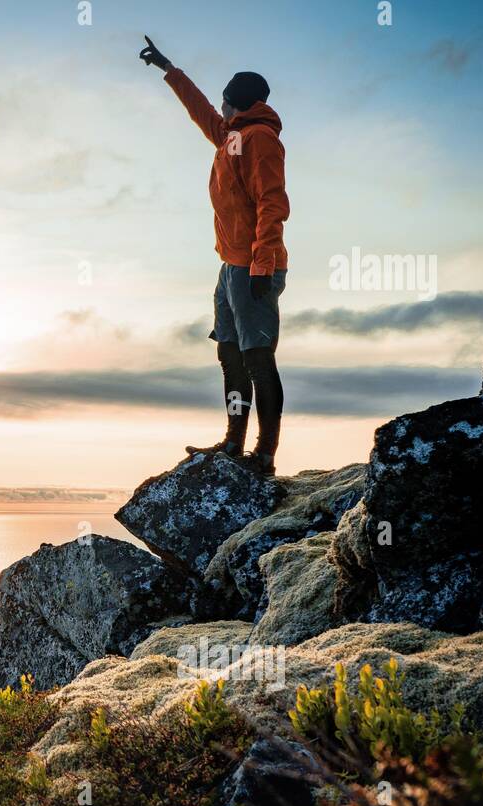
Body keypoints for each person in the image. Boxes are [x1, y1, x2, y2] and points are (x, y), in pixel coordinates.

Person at [140, 36, 289, 477]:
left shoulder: (259, 140)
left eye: (224, 103)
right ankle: (233, 442)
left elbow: (272, 204)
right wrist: (170, 70)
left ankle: (263, 455)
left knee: (258, 358)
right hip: (230, 267)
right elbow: (201, 112)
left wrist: (262, 266)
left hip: (254, 267)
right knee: (230, 354)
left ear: (235, 105)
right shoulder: (231, 137)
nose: (218, 111)